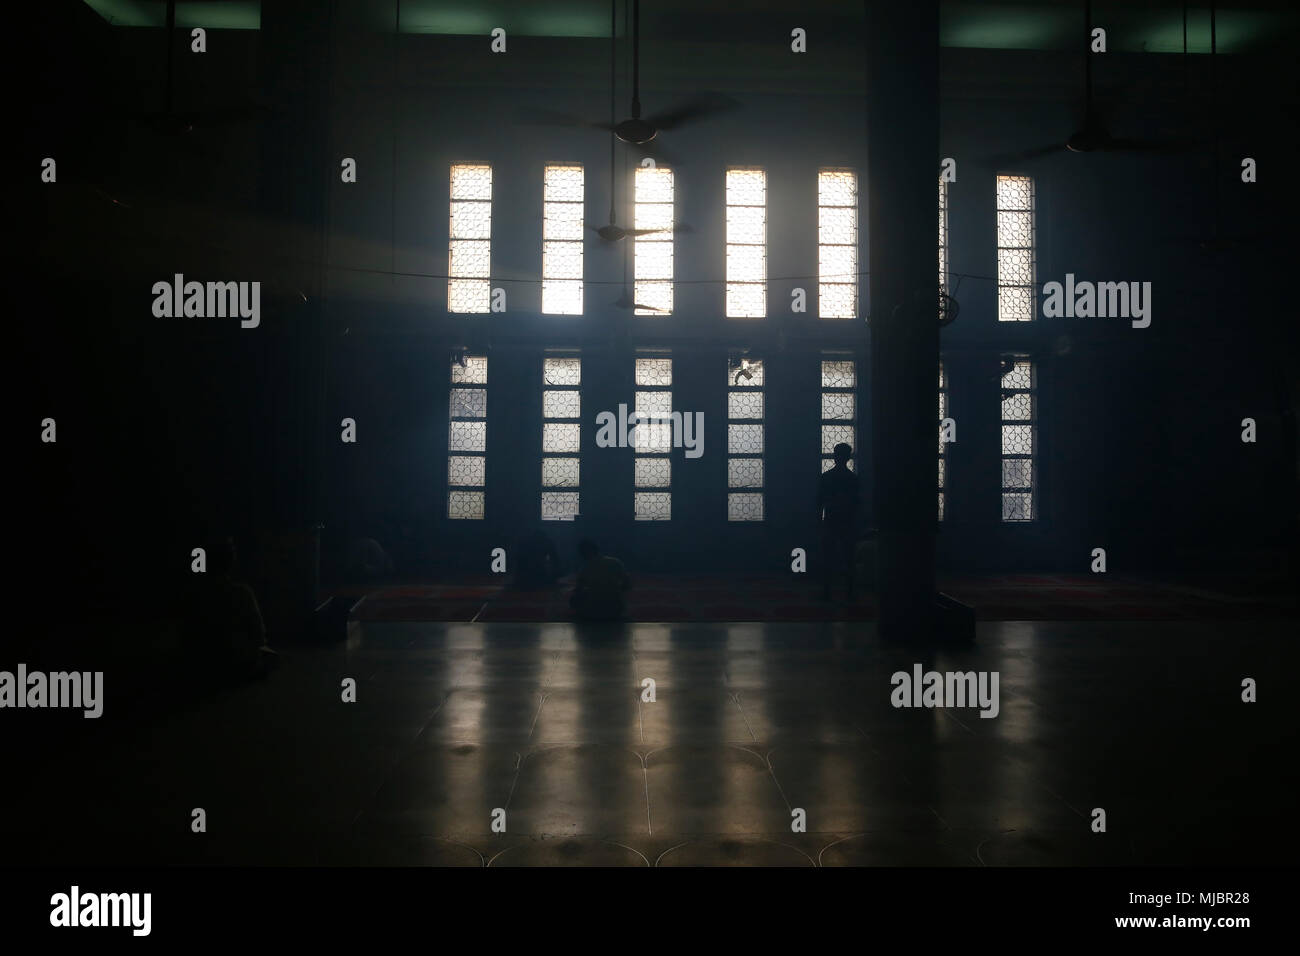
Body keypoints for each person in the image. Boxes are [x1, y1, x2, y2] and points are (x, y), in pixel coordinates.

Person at [817, 442, 861, 601]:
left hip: (831, 520)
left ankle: (827, 591)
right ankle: (849, 591)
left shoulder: (827, 477)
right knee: (848, 558)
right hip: (847, 522)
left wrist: (817, 522)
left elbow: (819, 502)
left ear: (835, 456)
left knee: (828, 557)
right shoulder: (852, 479)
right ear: (848, 458)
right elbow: (856, 504)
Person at [569, 538, 630, 621]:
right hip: (615, 607)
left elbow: (578, 590)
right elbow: (627, 584)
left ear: (582, 554)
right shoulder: (615, 562)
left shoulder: (584, 568)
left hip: (594, 609)